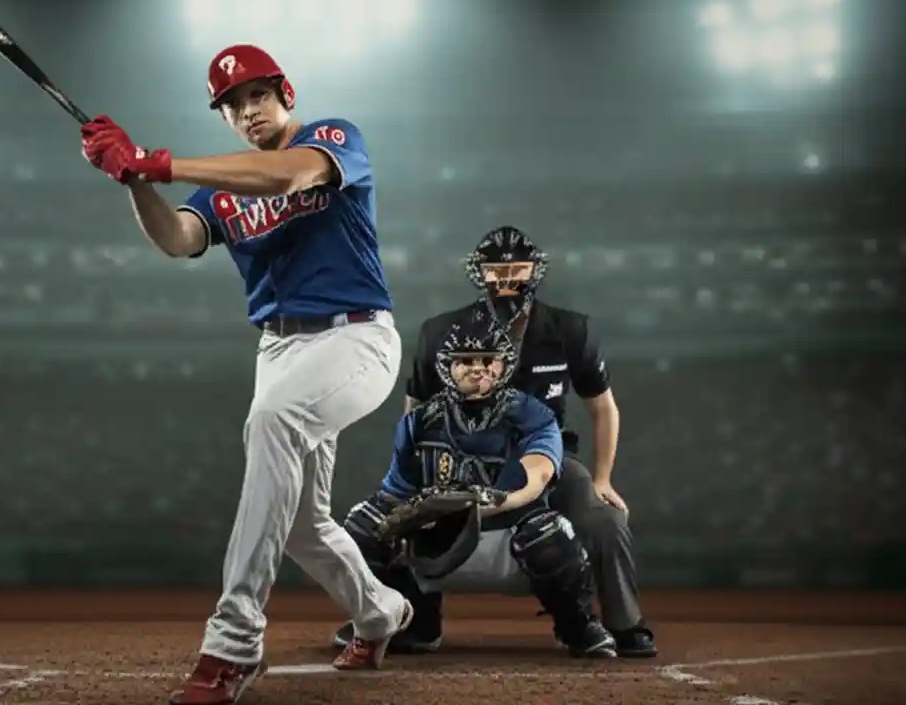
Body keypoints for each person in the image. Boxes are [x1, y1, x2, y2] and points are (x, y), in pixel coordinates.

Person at [79, 44, 412, 705]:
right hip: (280, 352)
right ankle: (380, 613)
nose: (247, 109)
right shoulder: (218, 191)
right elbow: (178, 239)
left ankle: (234, 643)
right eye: (232, 103)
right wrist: (135, 180)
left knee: (273, 420)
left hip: (357, 338)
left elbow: (290, 177)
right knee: (300, 526)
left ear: (284, 91)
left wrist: (159, 162)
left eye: (257, 94)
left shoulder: (332, 137)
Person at [331, 226, 657, 657]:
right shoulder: (442, 330)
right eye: (495, 268)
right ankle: (403, 615)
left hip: (543, 451)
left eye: (516, 267)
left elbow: (603, 407)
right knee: (382, 520)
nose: (506, 277)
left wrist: (603, 478)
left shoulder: (570, 330)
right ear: (479, 272)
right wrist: (418, 463)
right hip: (457, 449)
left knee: (603, 520)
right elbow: (417, 405)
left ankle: (622, 624)